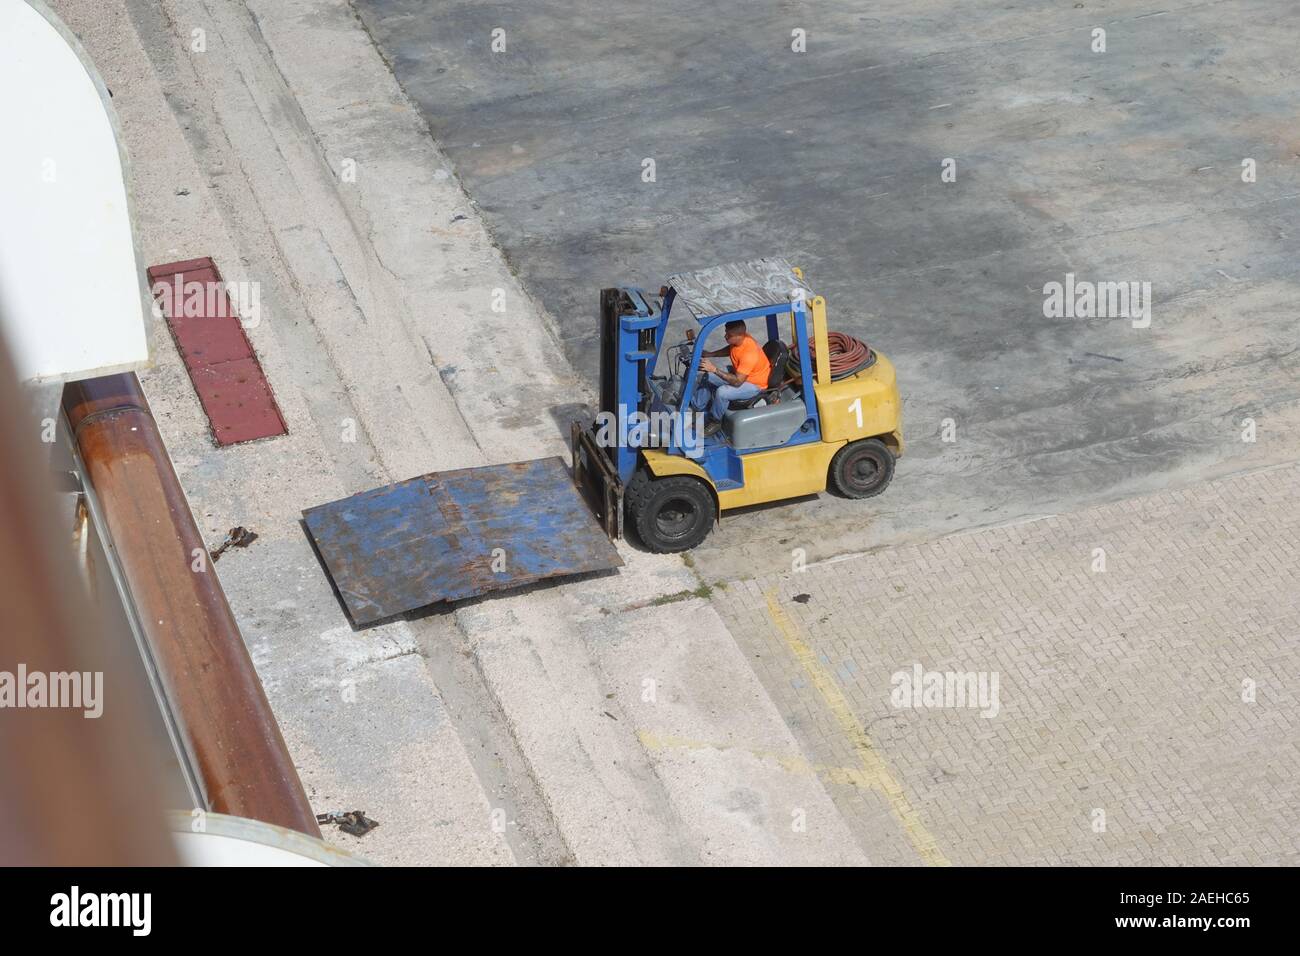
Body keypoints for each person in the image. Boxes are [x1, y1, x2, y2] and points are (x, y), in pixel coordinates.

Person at [691, 320, 771, 434]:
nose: (725, 336)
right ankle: (697, 407)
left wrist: (714, 369)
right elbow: (731, 349)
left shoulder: (750, 354)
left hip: (754, 384)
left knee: (722, 392)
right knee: (708, 376)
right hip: (742, 374)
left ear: (740, 335)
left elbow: (737, 382)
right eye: (726, 333)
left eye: (729, 335)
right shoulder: (739, 341)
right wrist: (711, 354)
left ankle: (715, 422)